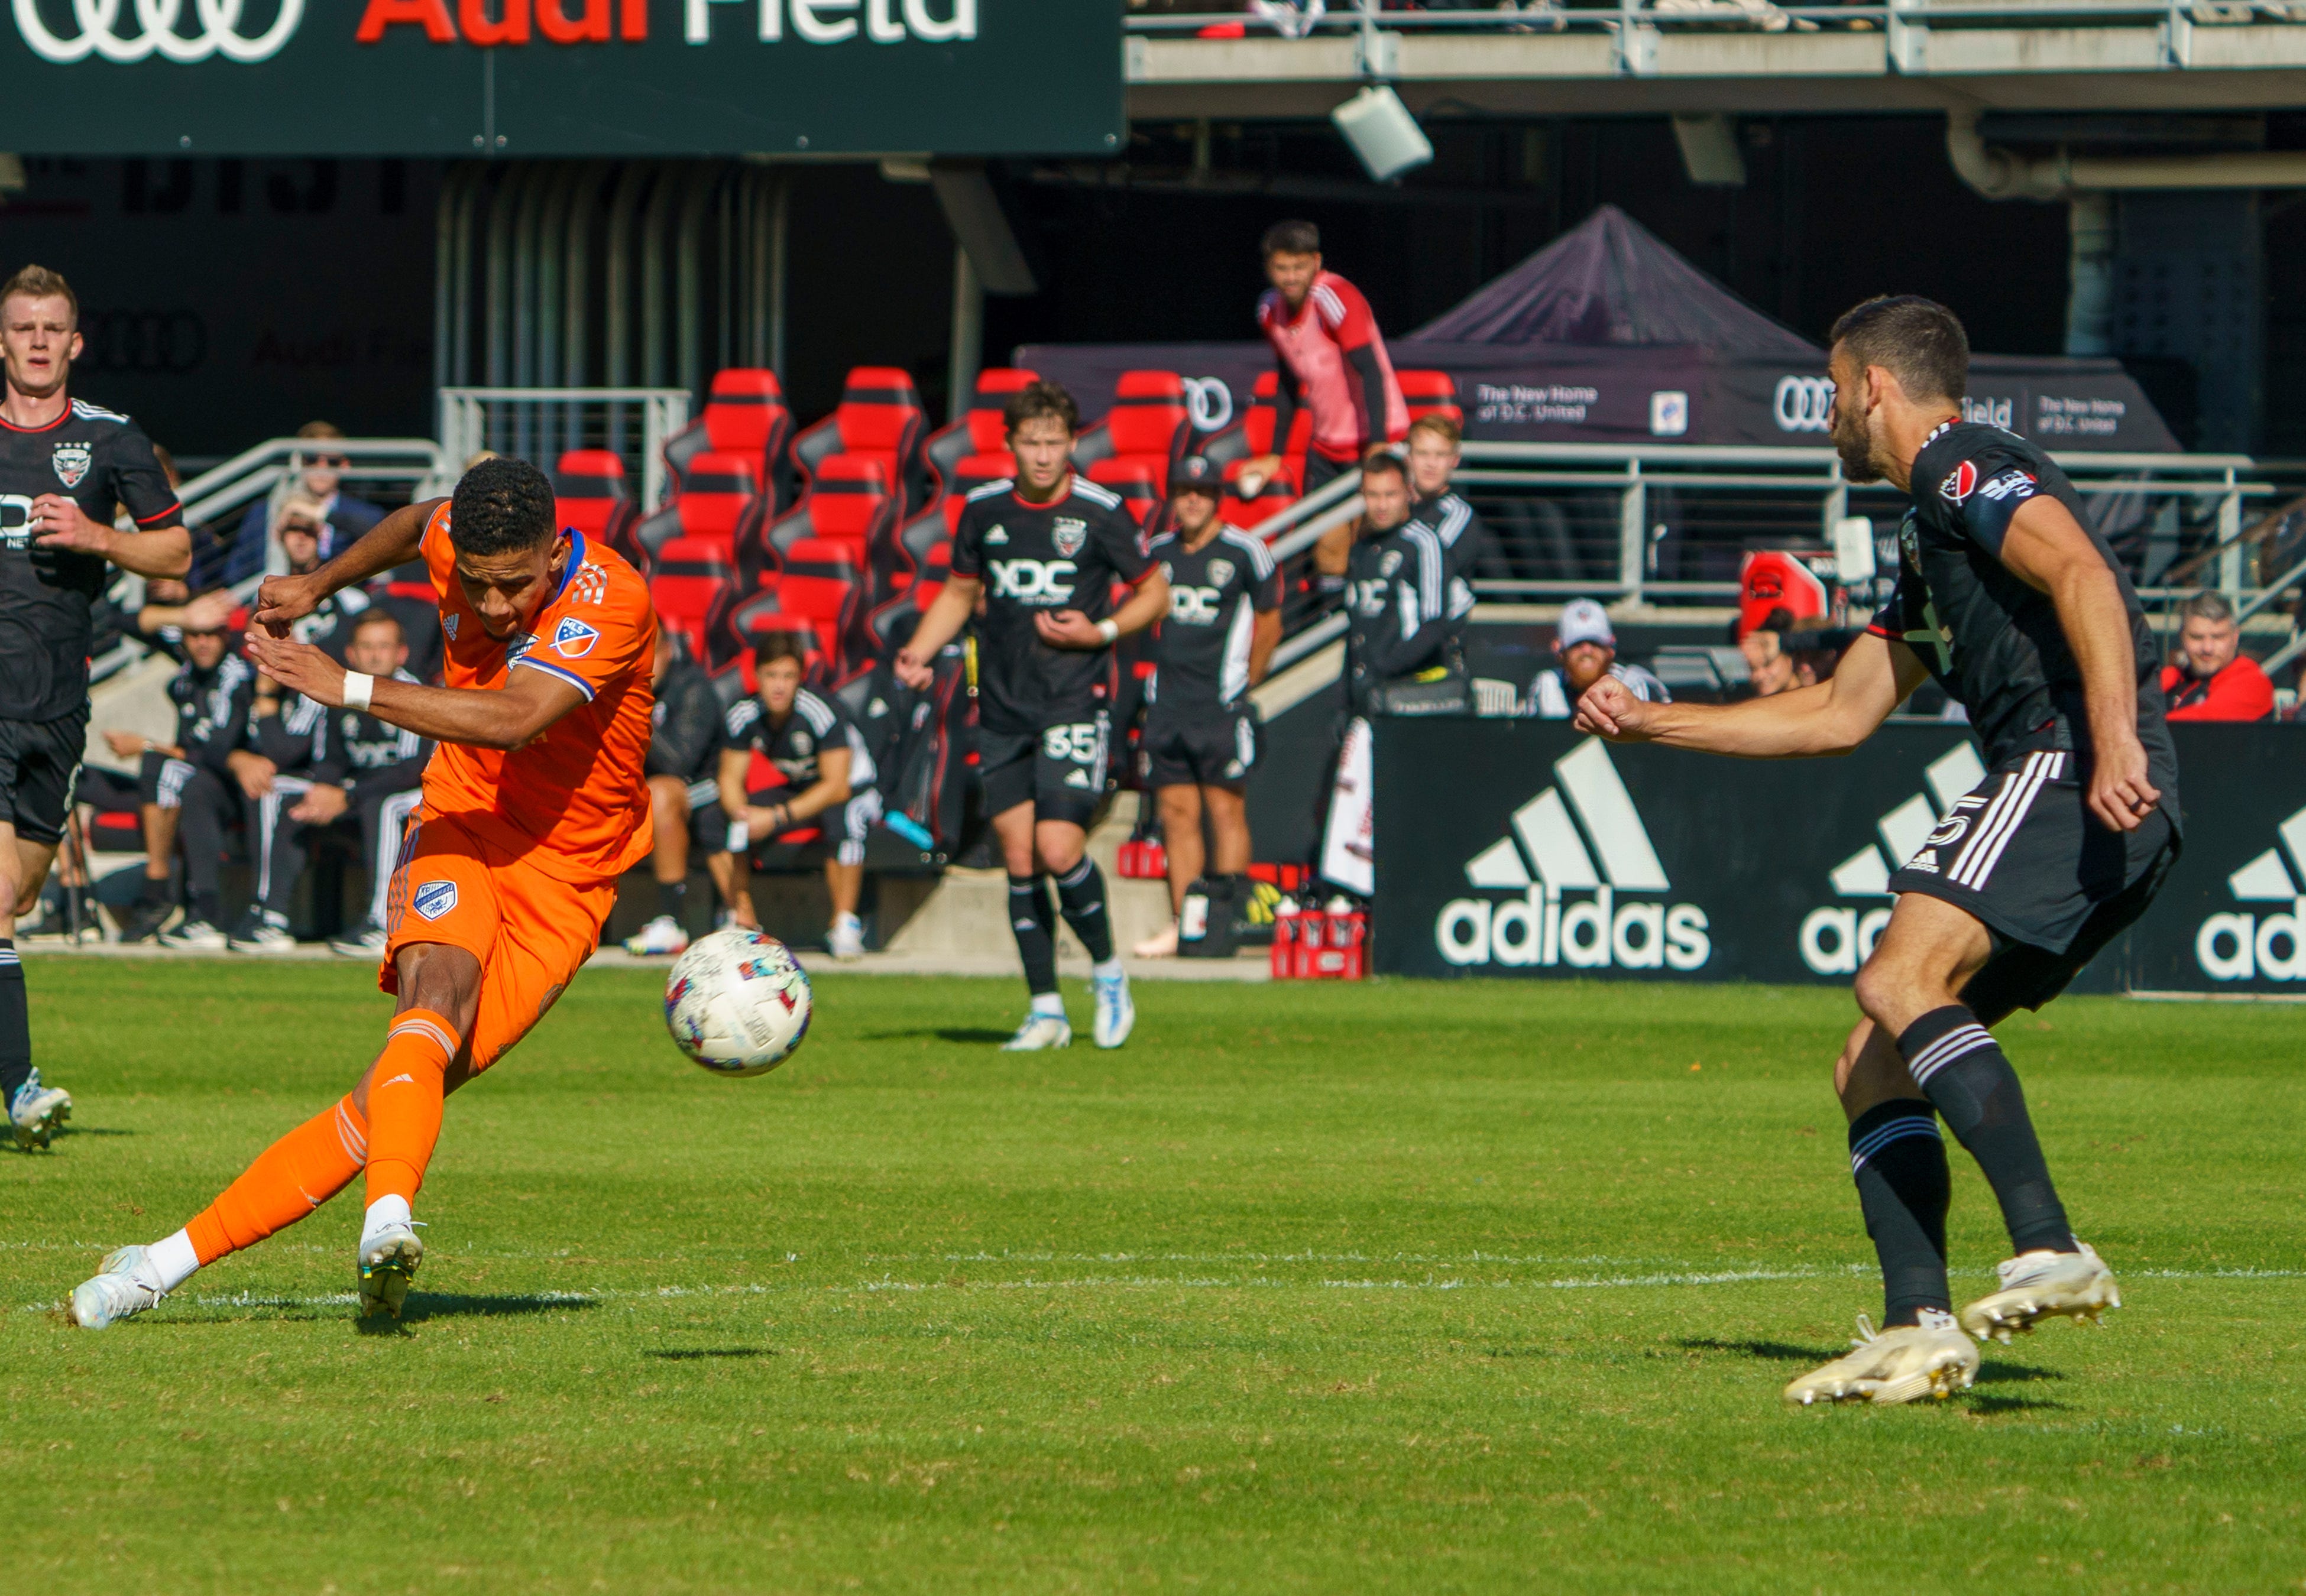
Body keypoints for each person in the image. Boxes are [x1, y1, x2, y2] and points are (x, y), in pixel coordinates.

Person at [1575, 295, 2180, 1407]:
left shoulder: (1959, 462)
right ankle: (1917, 1328)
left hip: (2071, 766)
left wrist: (2115, 738)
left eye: (1831, 392)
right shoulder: (1925, 535)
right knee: (1871, 1060)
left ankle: (2050, 1244)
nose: (1828, 417)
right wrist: (1651, 722)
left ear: (1873, 388)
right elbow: (1838, 712)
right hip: (2086, 782)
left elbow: (2085, 575)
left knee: (1896, 979)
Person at [68, 456, 657, 1328]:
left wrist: (344, 686)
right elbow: (417, 520)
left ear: (554, 550)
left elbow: (515, 719)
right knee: (432, 1000)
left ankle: (158, 1263)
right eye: (480, 585)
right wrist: (317, 583)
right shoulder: (456, 536)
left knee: (387, 1098)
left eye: (515, 585)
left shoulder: (611, 598)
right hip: (463, 813)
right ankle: (387, 1222)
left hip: (568, 874)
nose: (496, 606)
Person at [894, 379, 1168, 1050]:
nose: (1043, 456)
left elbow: (1155, 592)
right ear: (1010, 444)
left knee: (1057, 848)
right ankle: (1046, 1009)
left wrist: (1101, 631)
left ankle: (1108, 972)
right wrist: (919, 650)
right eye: (1031, 443)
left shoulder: (1101, 511)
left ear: (1072, 443)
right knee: (1019, 858)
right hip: (1003, 707)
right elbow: (960, 592)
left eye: (1054, 442)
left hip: (1073, 701)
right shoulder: (984, 510)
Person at [0, 264, 189, 1148]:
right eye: (22, 327)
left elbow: (176, 553)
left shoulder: (111, 440)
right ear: (2, 342)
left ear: (74, 344)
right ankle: (20, 1087)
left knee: (22, 892)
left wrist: (98, 536)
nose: (37, 341)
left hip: (59, 702)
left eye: (52, 328)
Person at [1133, 455, 1282, 958]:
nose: (1193, 500)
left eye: (1202, 491)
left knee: (1226, 810)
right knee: (1176, 815)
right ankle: (1185, 924)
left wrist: (1246, 681)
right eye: (1183, 491)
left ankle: (1227, 920)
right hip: (1167, 704)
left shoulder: (1246, 550)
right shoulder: (1156, 552)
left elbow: (1270, 621)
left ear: (1218, 497)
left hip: (1219, 707)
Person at [231, 610, 429, 954]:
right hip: (354, 792)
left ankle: (382, 922)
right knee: (276, 789)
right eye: (366, 647)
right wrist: (323, 791)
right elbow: (331, 759)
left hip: (407, 793)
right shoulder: (342, 694)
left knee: (383, 806)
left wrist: (347, 795)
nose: (375, 655)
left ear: (402, 654)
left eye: (384, 646)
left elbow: (411, 770)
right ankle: (270, 915)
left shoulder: (413, 693)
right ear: (351, 654)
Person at [1314, 448, 1453, 898]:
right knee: (1358, 805)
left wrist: (1385, 671)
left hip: (1407, 697)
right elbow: (1356, 631)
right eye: (1372, 495)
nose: (1381, 505)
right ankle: (1359, 899)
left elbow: (1436, 624)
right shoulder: (1362, 548)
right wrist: (1346, 697)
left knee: (1403, 805)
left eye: (1390, 495)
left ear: (1408, 493)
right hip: (1366, 699)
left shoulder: (1423, 544)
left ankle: (1409, 897)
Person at [697, 635, 877, 959]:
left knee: (844, 816)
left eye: (788, 676)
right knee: (713, 818)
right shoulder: (743, 713)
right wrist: (741, 813)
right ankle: (743, 919)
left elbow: (837, 786)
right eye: (771, 675)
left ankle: (845, 924)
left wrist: (776, 817)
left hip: (856, 789)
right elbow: (729, 778)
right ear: (756, 676)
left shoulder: (821, 711)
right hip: (799, 789)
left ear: (800, 679)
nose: (779, 686)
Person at [83, 611, 251, 946]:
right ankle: (73, 901)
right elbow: (121, 621)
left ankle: (158, 889)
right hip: (174, 786)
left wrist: (146, 745)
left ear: (225, 636)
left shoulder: (236, 676)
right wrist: (184, 612)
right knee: (72, 777)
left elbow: (216, 753)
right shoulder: (188, 665)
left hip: (224, 789)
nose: (202, 643)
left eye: (211, 635)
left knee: (160, 767)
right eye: (194, 635)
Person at [1238, 220, 1407, 499]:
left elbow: (1370, 370)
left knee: (1368, 527)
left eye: (1299, 267)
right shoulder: (1269, 309)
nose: (1291, 278)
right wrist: (1275, 455)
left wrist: (1378, 445)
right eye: (1282, 268)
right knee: (1318, 527)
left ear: (1316, 262)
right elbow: (1288, 383)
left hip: (1370, 443)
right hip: (1326, 447)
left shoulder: (1334, 296)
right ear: (1268, 268)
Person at [623, 624, 729, 957]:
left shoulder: (693, 688)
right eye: (635, 658)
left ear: (668, 651)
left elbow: (679, 763)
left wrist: (635, 711)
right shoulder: (618, 686)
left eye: (649, 656)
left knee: (662, 793)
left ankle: (671, 921)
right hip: (638, 791)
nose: (642, 666)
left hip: (703, 792)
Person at [224, 421, 385, 583]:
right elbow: (236, 572)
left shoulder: (366, 515)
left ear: (345, 465)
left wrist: (321, 514)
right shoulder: (264, 512)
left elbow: (383, 546)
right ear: (299, 462)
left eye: (332, 461)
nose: (321, 467)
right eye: (312, 459)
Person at [1528, 598, 1668, 719]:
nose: (1587, 650)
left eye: (1595, 643)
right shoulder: (1547, 685)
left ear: (1611, 647)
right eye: (1577, 644)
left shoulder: (1636, 685)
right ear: (1559, 650)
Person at [2160, 591, 2273, 722]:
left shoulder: (2253, 683)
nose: (2207, 648)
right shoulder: (2170, 677)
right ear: (2182, 638)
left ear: (2235, 637)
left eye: (2218, 637)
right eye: (2197, 637)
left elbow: (2204, 722)